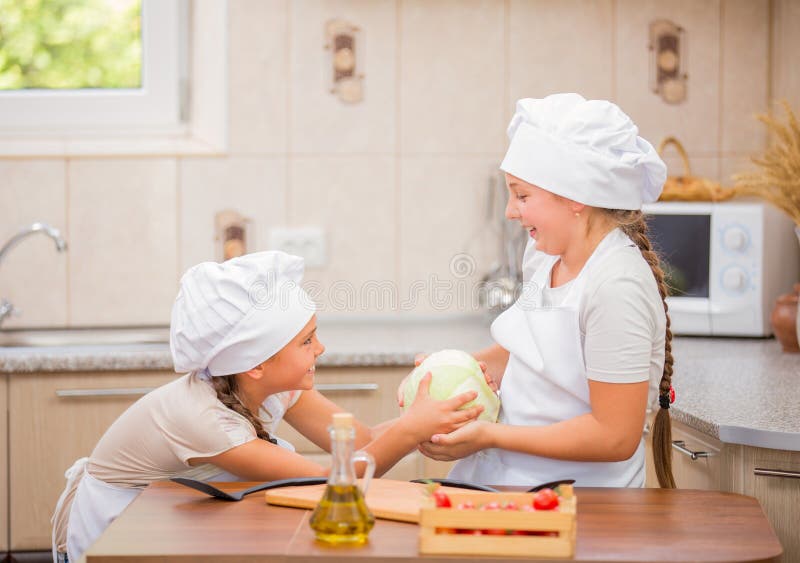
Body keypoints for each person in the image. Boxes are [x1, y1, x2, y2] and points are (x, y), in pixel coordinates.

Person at [52, 251, 483, 563]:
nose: (322, 348)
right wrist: (411, 430)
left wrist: (426, 413)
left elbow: (361, 443)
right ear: (257, 364)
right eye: (306, 341)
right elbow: (334, 479)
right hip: (124, 530)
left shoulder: (271, 385)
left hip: (178, 513)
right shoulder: (203, 421)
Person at [414, 93, 676, 489]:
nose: (510, 211)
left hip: (586, 506)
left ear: (573, 197)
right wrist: (454, 368)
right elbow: (528, 351)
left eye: (522, 195)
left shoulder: (616, 286)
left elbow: (614, 436)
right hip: (506, 483)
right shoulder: (543, 256)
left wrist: (489, 435)